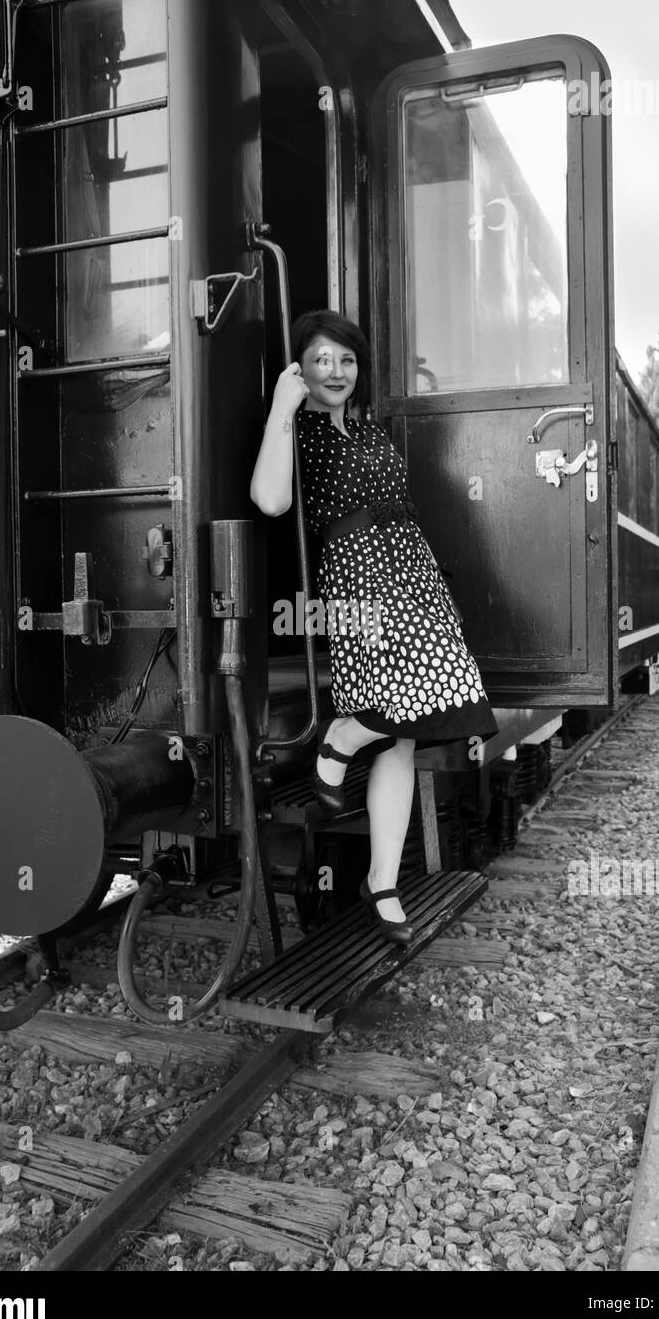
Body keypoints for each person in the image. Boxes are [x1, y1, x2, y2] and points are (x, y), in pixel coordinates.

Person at [250, 310, 497, 942]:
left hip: (411, 569)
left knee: (410, 729)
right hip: (359, 578)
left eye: (347, 360)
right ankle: (338, 739)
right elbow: (270, 500)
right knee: (402, 700)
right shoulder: (300, 430)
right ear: (300, 368)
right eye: (321, 360)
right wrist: (284, 404)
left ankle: (381, 882)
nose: (335, 371)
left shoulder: (367, 430)